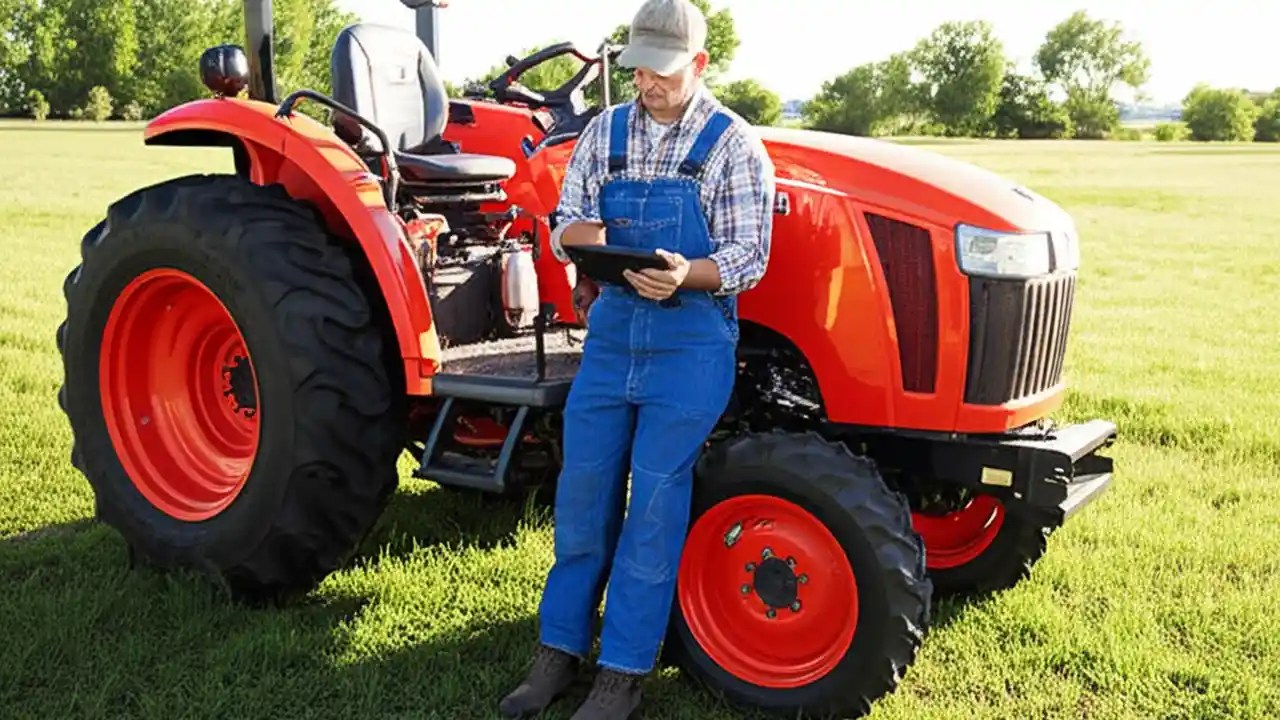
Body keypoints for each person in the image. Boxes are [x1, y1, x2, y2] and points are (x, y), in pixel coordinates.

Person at [499, 0, 775, 717]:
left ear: (699, 65)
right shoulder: (605, 131)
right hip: (614, 335)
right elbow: (566, 220)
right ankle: (557, 653)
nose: (647, 82)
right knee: (582, 499)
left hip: (689, 346)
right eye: (638, 69)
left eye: (662, 69)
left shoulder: (732, 145)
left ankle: (622, 671)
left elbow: (750, 254)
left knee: (653, 504)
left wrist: (688, 273)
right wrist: (579, 238)